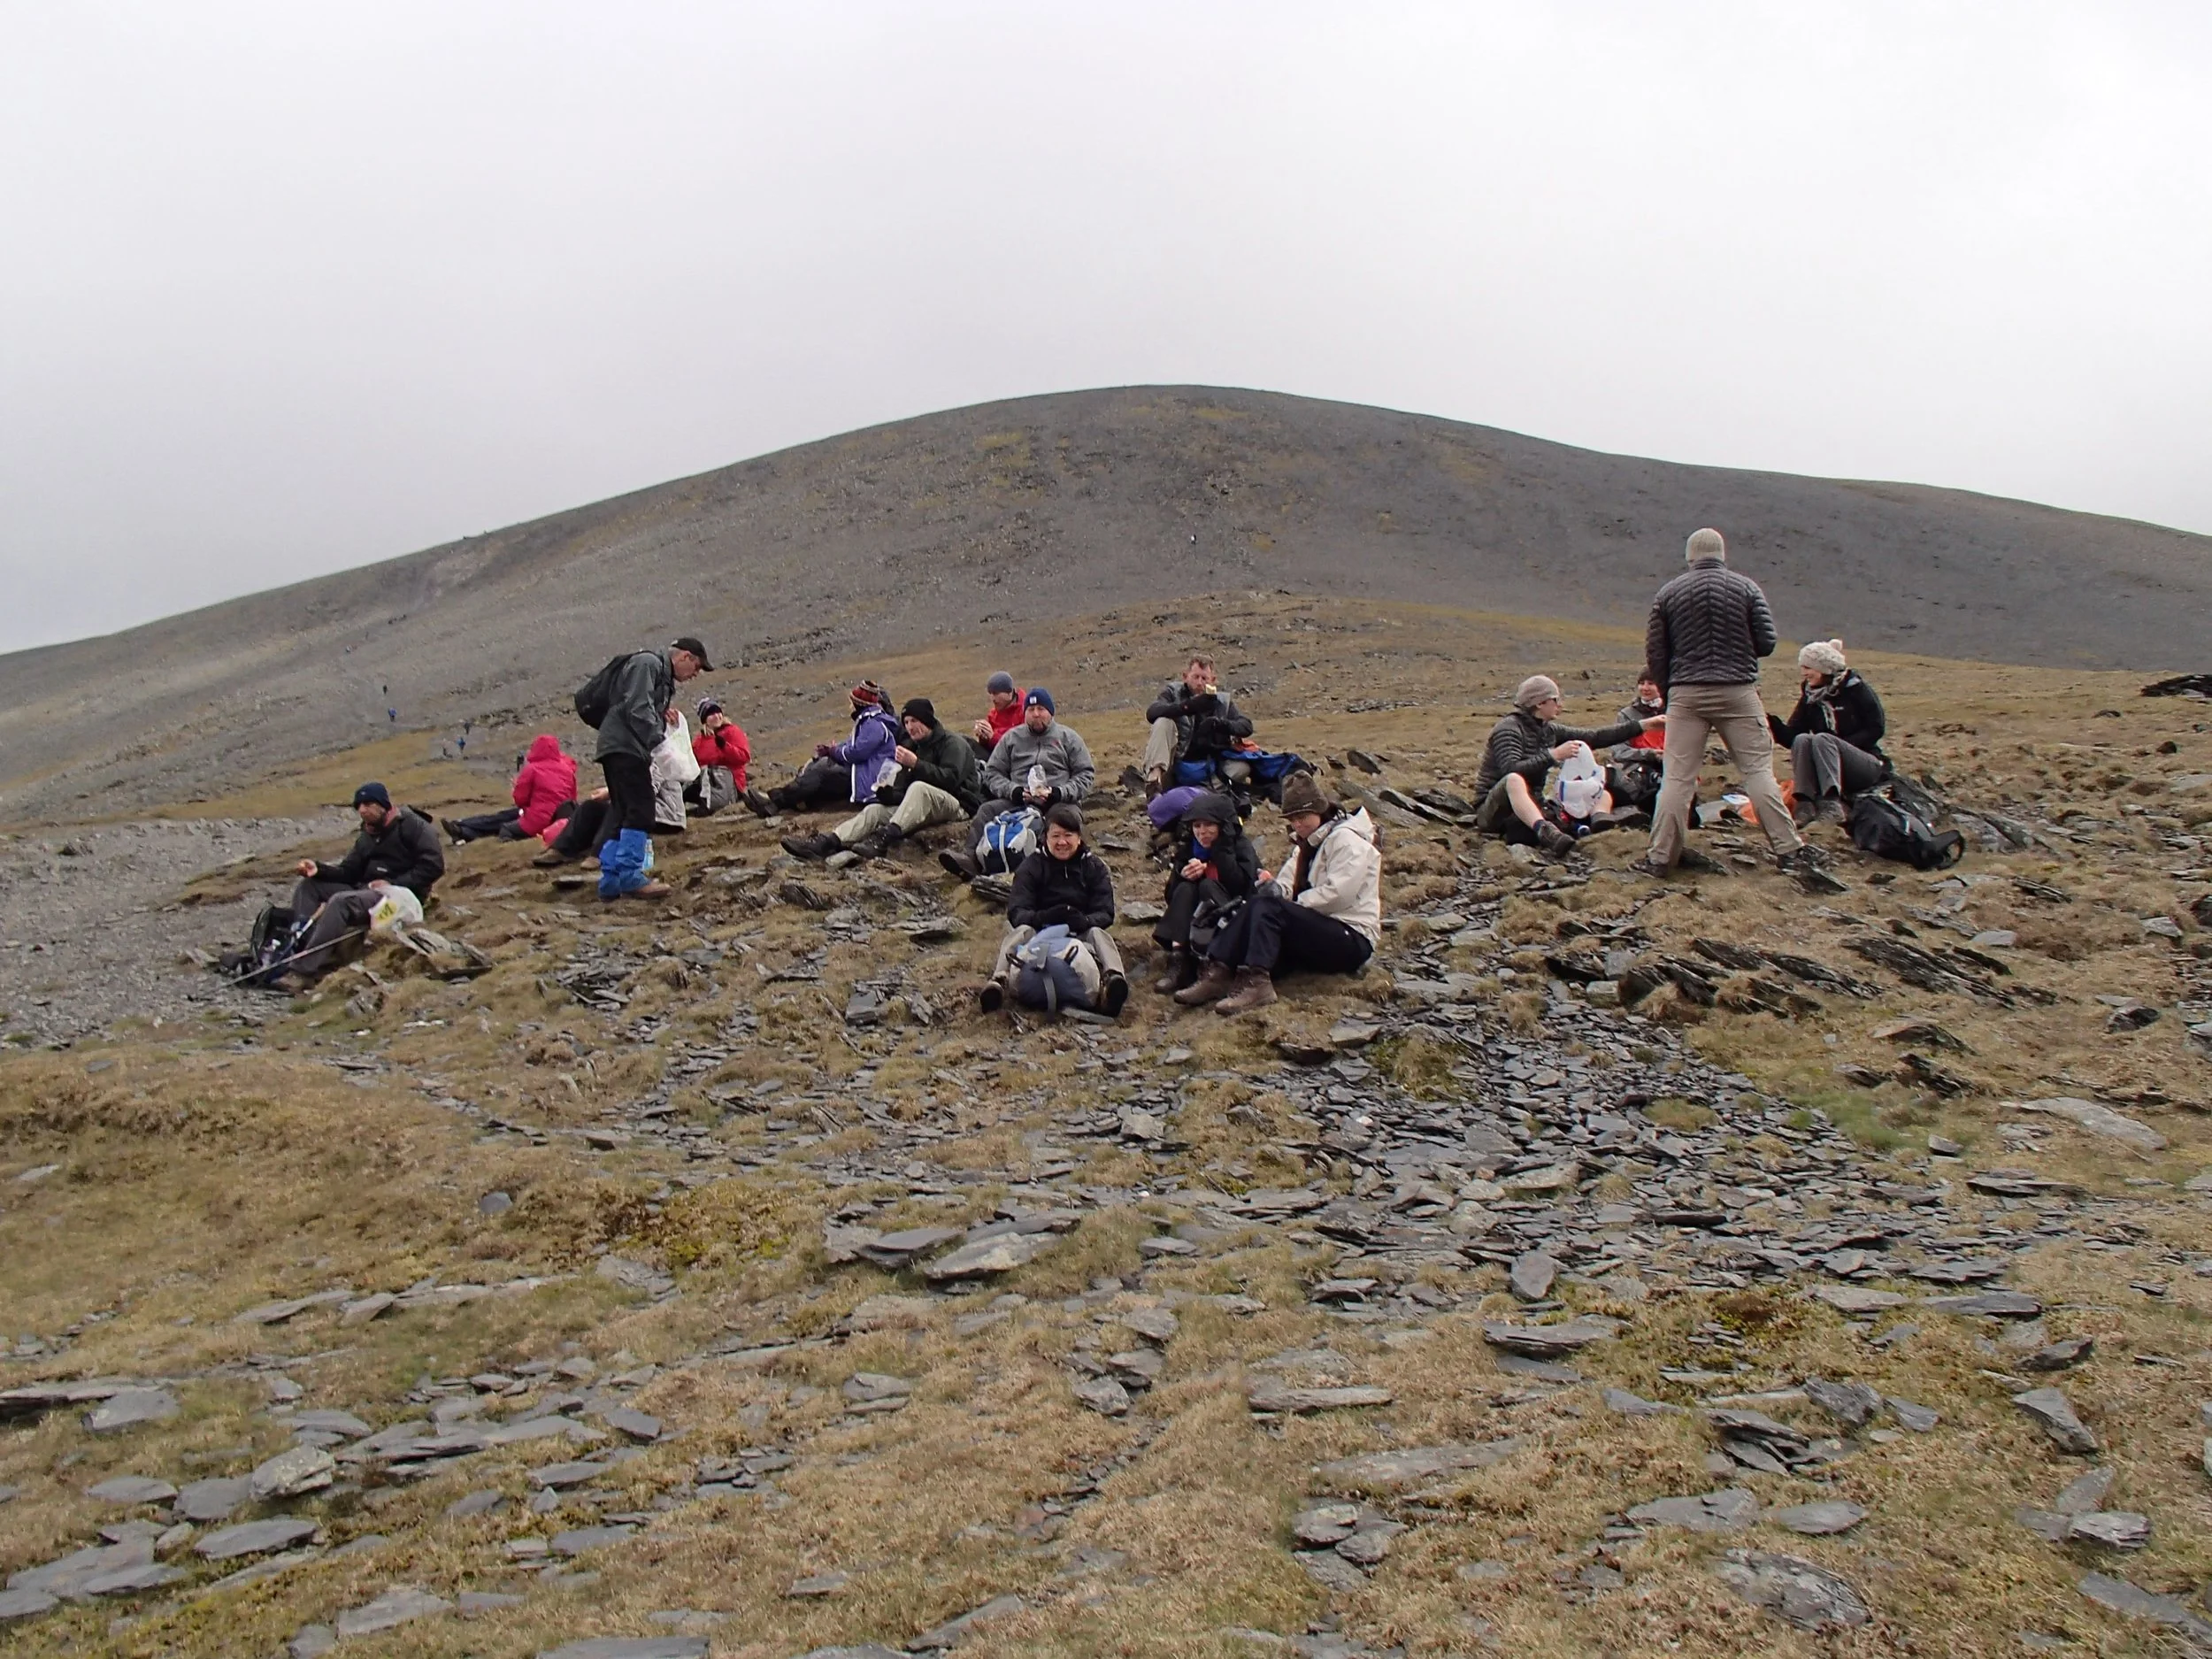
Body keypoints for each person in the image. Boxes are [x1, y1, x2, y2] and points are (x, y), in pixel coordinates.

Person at [1633, 529, 1809, 877]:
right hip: (1738, 690)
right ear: (1722, 554)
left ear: (1690, 556)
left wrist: (1672, 692)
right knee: (1757, 771)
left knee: (1677, 778)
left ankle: (1660, 858)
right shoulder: (1746, 588)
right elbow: (1766, 642)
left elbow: (1656, 652)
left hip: (1686, 693)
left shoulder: (1668, 593)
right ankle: (1789, 850)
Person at [1178, 772, 1378, 1016]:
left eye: (1303, 817)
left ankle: (1254, 984)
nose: (1298, 825)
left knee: (1268, 907)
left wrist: (1289, 902)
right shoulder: (1308, 843)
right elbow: (1286, 882)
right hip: (1323, 929)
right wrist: (1276, 888)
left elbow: (1339, 894)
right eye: (1293, 819)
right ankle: (1218, 971)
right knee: (1260, 902)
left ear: (1320, 810)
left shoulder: (1346, 841)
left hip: (1353, 936)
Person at [1471, 676, 1658, 859]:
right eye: (1555, 699)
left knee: (1593, 784)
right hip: (1493, 811)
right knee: (1514, 780)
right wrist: (1554, 755)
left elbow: (1594, 737)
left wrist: (1642, 726)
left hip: (1533, 804)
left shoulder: (1547, 729)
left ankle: (1595, 820)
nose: (1560, 704)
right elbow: (1510, 769)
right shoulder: (1508, 729)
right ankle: (1544, 830)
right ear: (1539, 703)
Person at [276, 782, 444, 985]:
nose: (362, 810)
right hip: (365, 891)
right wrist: (319, 869)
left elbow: (433, 866)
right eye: (359, 806)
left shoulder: (414, 826)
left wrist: (392, 883)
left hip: (400, 898)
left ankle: (303, 973)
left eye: (368, 804)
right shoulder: (369, 833)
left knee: (340, 902)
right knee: (309, 886)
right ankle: (301, 945)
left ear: (384, 804)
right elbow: (349, 872)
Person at [783, 698, 983, 860]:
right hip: (922, 804)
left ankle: (883, 839)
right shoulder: (913, 747)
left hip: (958, 805)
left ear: (927, 720)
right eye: (906, 722)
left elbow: (950, 780)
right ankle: (828, 842)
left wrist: (916, 764)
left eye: (915, 721)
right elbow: (904, 789)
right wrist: (886, 793)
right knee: (874, 810)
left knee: (919, 788)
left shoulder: (953, 744)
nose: (910, 727)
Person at [587, 636, 708, 901]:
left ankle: (611, 880)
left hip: (620, 745)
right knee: (641, 810)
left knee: (624, 811)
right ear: (684, 657)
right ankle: (630, 876)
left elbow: (641, 707)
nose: (695, 674)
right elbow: (638, 708)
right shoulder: (648, 664)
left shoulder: (658, 676)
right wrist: (658, 743)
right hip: (627, 747)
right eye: (696, 667)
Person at [979, 804, 1127, 1016]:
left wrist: (1083, 921)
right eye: (1055, 835)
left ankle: (1112, 982)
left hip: (1081, 931)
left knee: (1099, 934)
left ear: (1079, 837)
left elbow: (1105, 913)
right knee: (1020, 931)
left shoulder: (1094, 867)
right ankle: (999, 981)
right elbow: (1017, 911)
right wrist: (1043, 918)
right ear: (1045, 838)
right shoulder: (1031, 866)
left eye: (1068, 835)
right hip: (1039, 932)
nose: (1062, 842)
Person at [940, 688, 1095, 879]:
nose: (1036, 714)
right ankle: (970, 860)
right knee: (986, 811)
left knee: (1066, 820)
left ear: (1051, 712)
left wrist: (1058, 792)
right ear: (1024, 713)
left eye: (1041, 709)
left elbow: (1085, 774)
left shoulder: (1068, 738)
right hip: (1019, 800)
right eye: (1030, 709)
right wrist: (1014, 791)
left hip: (1058, 801)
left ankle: (1071, 866)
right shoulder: (1011, 739)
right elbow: (993, 772)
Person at [1151, 791, 1260, 994]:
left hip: (1233, 920)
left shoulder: (1239, 846)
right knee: (1185, 888)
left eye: (1209, 825)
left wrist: (1214, 864)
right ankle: (1179, 960)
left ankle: (1212, 965)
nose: (1202, 832)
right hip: (1195, 923)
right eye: (1197, 826)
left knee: (1207, 886)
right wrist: (1182, 875)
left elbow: (1244, 886)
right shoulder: (1189, 850)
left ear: (1222, 825)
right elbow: (1170, 897)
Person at [1771, 640, 1890, 826]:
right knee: (1803, 739)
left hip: (1865, 765)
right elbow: (1793, 738)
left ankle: (1832, 803)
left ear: (1824, 668)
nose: (1804, 673)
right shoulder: (1811, 697)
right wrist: (1771, 724)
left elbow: (1876, 728)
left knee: (1823, 740)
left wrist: (1839, 746)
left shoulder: (1856, 690)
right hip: (1826, 762)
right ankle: (1805, 803)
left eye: (1808, 667)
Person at [1141, 655, 1252, 797]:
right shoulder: (1173, 692)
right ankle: (1154, 783)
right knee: (1163, 722)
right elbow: (1152, 712)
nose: (1200, 683)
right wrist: (1187, 707)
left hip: (1209, 769)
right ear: (1185, 677)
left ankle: (1200, 794)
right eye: (1196, 677)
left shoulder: (1222, 702)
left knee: (1242, 767)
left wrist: (1219, 724)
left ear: (1213, 680)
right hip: (1174, 767)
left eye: (1204, 678)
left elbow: (1246, 726)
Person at [443, 734, 578, 844]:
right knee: (507, 817)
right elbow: (572, 799)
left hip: (538, 819)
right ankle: (463, 830)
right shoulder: (567, 770)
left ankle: (462, 827)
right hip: (559, 819)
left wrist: (518, 788)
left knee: (503, 819)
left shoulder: (532, 769)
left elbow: (520, 800)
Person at [687, 699, 764, 816]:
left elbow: (744, 757)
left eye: (718, 712)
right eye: (711, 714)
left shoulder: (732, 731)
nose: (716, 716)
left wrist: (725, 746)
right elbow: (695, 761)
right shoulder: (700, 739)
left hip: (732, 783)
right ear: (704, 720)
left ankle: (708, 805)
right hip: (708, 782)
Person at [971, 672, 1026, 761]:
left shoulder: (1025, 712)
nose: (992, 699)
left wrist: (993, 737)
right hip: (994, 757)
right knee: (965, 742)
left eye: (996, 693)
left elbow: (1020, 747)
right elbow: (987, 746)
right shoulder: (993, 714)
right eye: (991, 694)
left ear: (1009, 693)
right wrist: (983, 737)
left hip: (1013, 761)